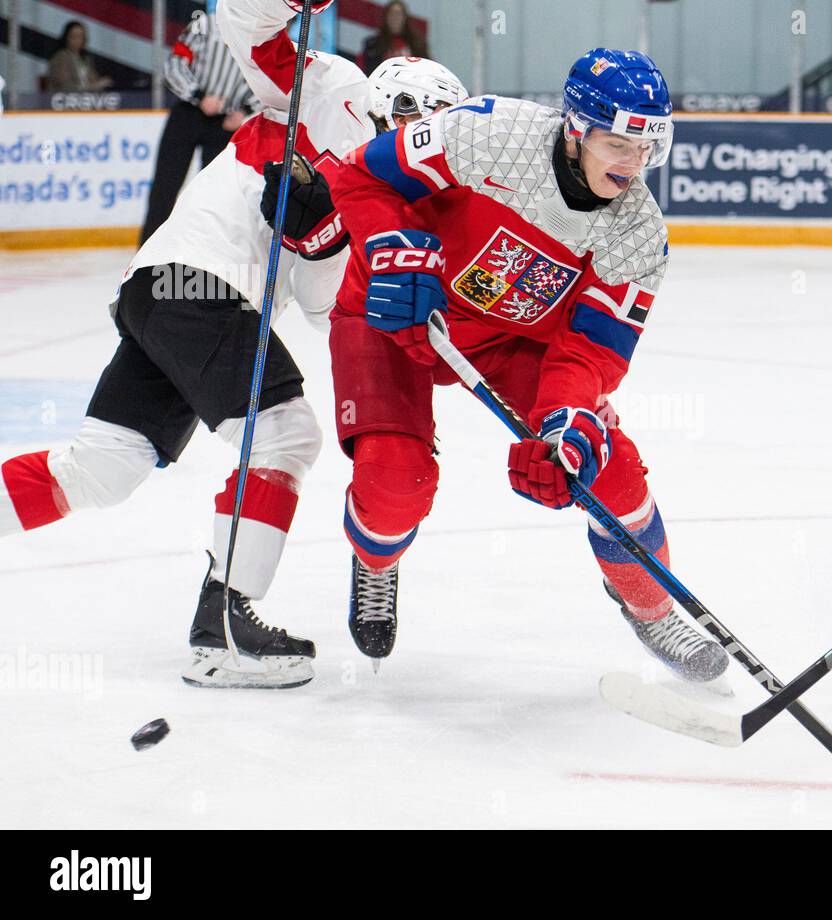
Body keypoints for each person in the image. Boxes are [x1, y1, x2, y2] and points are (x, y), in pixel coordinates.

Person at [0, 0, 465, 689]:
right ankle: (222, 631)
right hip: (200, 280)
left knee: (104, 467)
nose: (419, 149)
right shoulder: (330, 87)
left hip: (169, 291)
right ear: (389, 104)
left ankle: (219, 628)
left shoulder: (384, 197)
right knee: (287, 435)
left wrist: (326, 235)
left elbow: (316, 303)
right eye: (414, 126)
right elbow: (243, 28)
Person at [324, 49, 730, 683]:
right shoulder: (487, 133)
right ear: (576, 126)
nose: (632, 164)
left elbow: (592, 350)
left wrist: (567, 424)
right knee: (393, 488)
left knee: (609, 468)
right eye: (618, 142)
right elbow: (362, 176)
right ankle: (377, 559)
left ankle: (649, 606)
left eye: (648, 146)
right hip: (394, 314)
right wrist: (388, 250)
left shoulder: (638, 235)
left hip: (510, 343)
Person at [140, 9, 260, 245]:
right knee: (166, 185)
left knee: (215, 194)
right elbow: (174, 65)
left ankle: (205, 252)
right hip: (189, 113)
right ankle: (147, 253)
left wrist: (244, 110)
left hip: (224, 123)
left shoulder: (259, 35)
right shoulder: (204, 25)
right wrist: (197, 95)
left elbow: (266, 81)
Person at [357, 1, 429, 76]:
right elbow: (361, 71)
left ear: (405, 18)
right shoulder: (372, 45)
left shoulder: (417, 43)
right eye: (392, 14)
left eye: (398, 14)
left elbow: (429, 68)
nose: (395, 18)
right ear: (386, 17)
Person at [46, 21, 112, 93]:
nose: (78, 40)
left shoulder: (86, 59)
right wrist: (91, 87)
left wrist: (100, 83)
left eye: (81, 37)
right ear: (66, 38)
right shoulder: (60, 58)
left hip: (87, 100)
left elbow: (94, 80)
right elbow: (65, 87)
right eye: (74, 37)